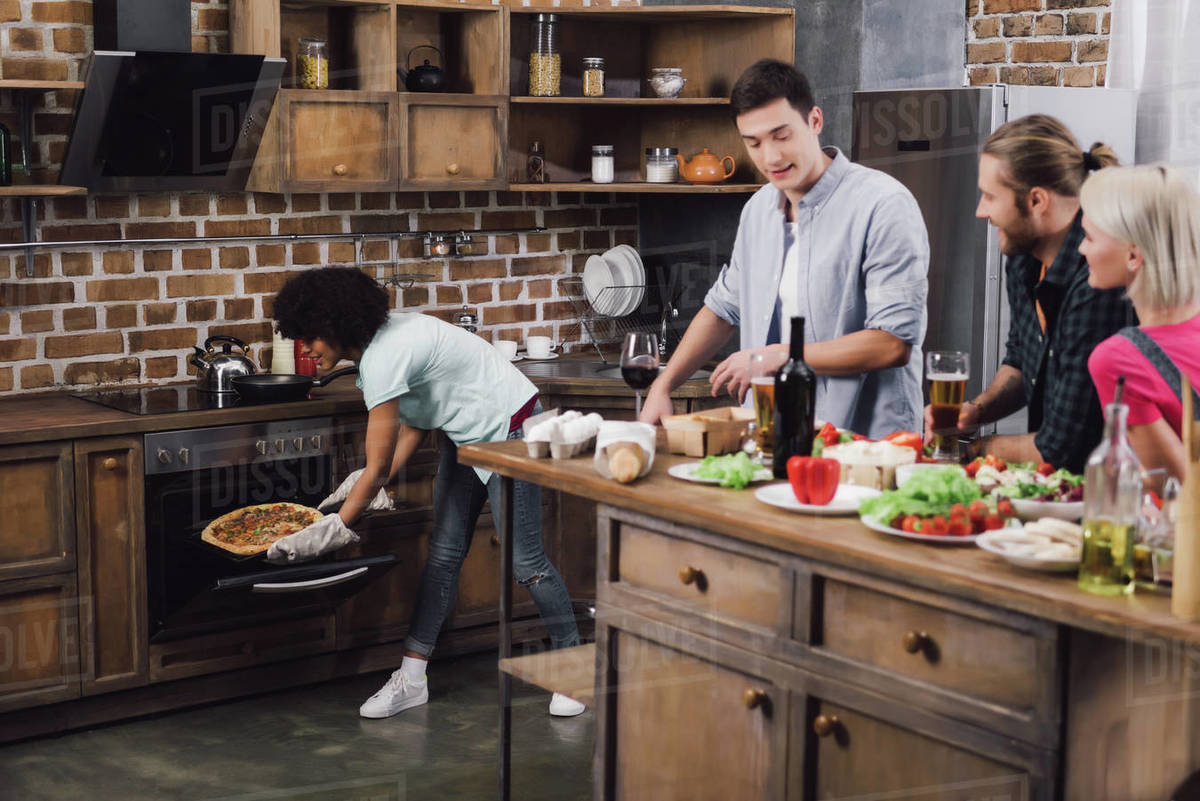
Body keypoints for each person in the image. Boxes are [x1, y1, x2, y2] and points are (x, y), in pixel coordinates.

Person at [271, 267, 584, 719]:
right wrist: (368, 483)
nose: (305, 349)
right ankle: (412, 680)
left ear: (337, 325)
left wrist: (339, 524)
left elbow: (378, 465)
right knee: (443, 554)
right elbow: (419, 419)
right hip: (466, 433)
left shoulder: (384, 356)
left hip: (511, 426)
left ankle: (573, 669)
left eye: (311, 337)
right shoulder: (376, 347)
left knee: (524, 559)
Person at [638, 59, 929, 439]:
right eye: (754, 143)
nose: (770, 157)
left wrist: (774, 357)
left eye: (782, 135)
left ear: (815, 121)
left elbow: (892, 343)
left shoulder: (884, 204)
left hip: (864, 441)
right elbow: (723, 308)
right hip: (767, 433)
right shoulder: (758, 209)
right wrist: (663, 385)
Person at [938, 114, 1134, 472]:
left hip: (1109, 497)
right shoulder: (1025, 256)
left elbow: (1062, 449)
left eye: (989, 196)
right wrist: (976, 412)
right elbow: (1022, 361)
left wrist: (969, 448)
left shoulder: (1097, 281)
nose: (980, 211)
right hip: (1054, 491)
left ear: (1037, 201)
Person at [1081, 165, 1200, 480]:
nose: (1081, 249)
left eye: (1089, 237)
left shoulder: (1119, 360)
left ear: (1133, 255)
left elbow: (1179, 491)